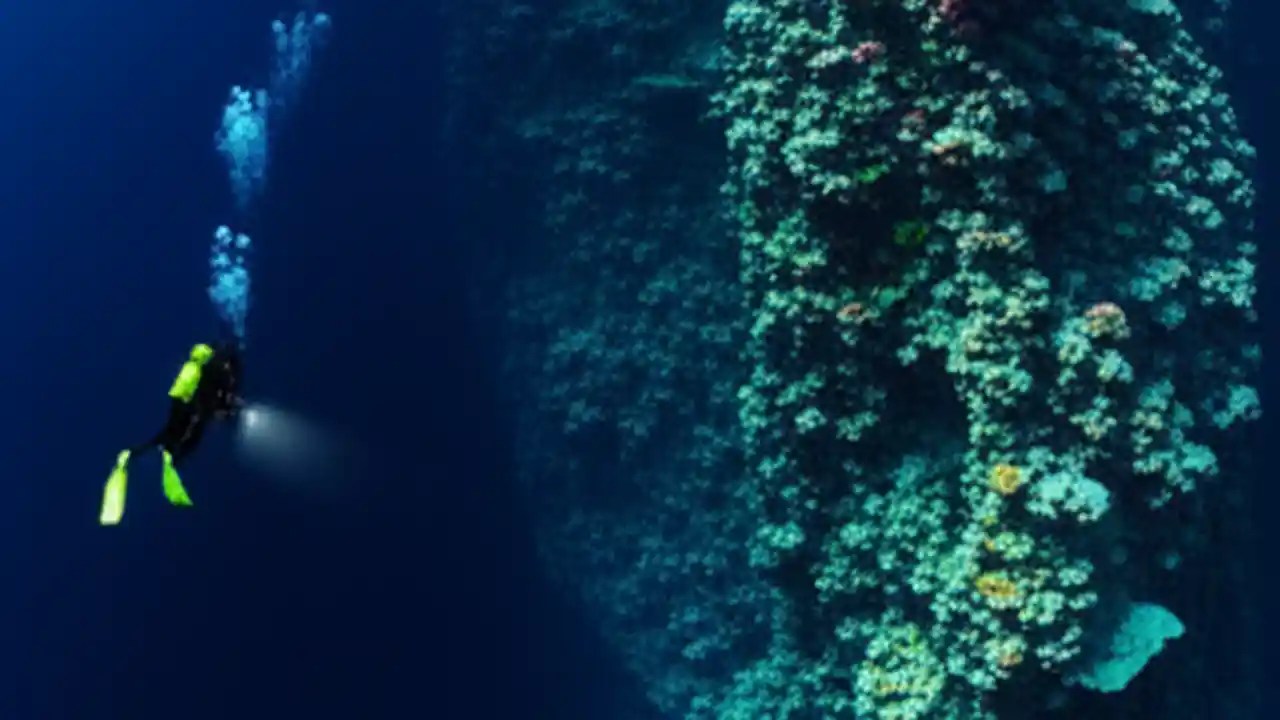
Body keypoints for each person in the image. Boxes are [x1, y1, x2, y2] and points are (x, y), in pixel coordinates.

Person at [99, 340, 244, 526]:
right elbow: (214, 402)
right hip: (191, 409)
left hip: (182, 405)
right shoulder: (218, 371)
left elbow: (211, 400)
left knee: (168, 436)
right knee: (182, 440)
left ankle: (132, 456)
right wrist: (226, 408)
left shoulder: (204, 368)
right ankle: (160, 457)